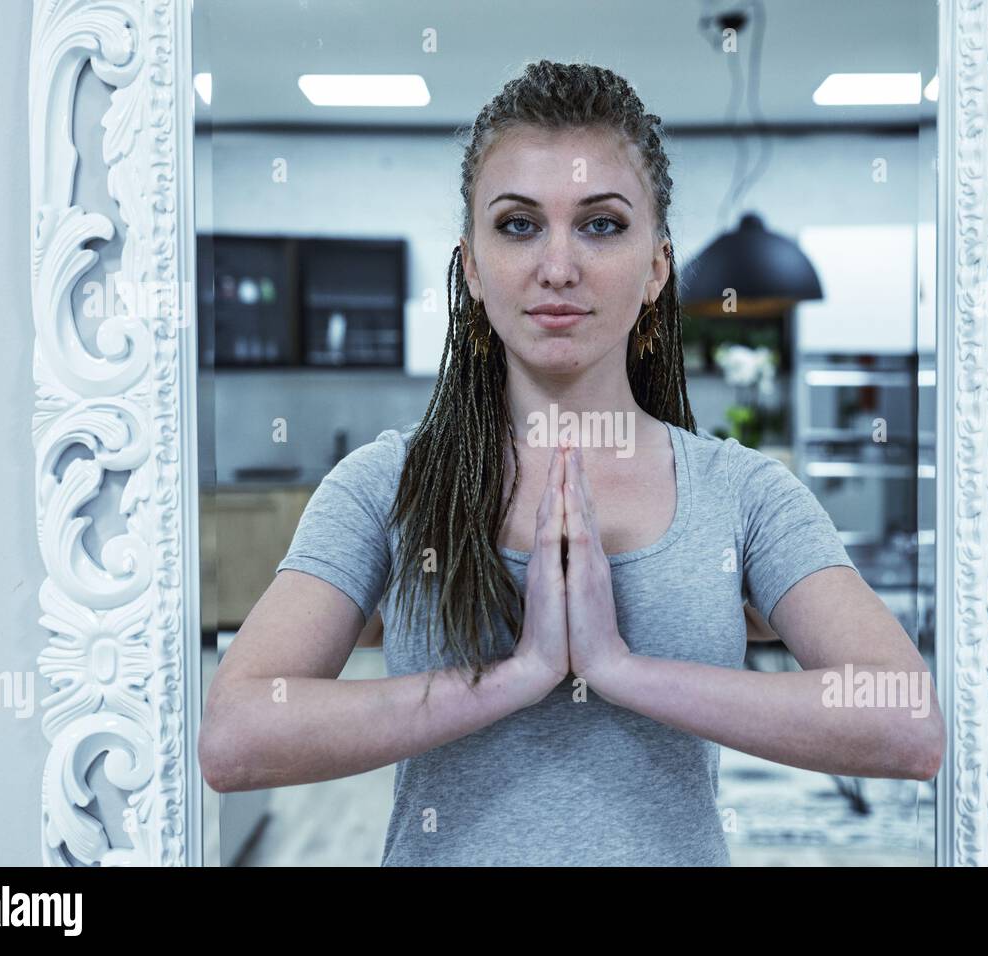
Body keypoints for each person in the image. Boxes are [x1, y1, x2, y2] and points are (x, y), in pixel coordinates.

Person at [199, 59, 943, 866]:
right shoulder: (387, 485)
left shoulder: (745, 494)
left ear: (657, 266)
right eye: (519, 224)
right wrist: (519, 676)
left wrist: (619, 669)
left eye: (601, 224)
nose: (558, 265)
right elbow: (237, 736)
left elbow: (906, 723)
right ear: (473, 268)